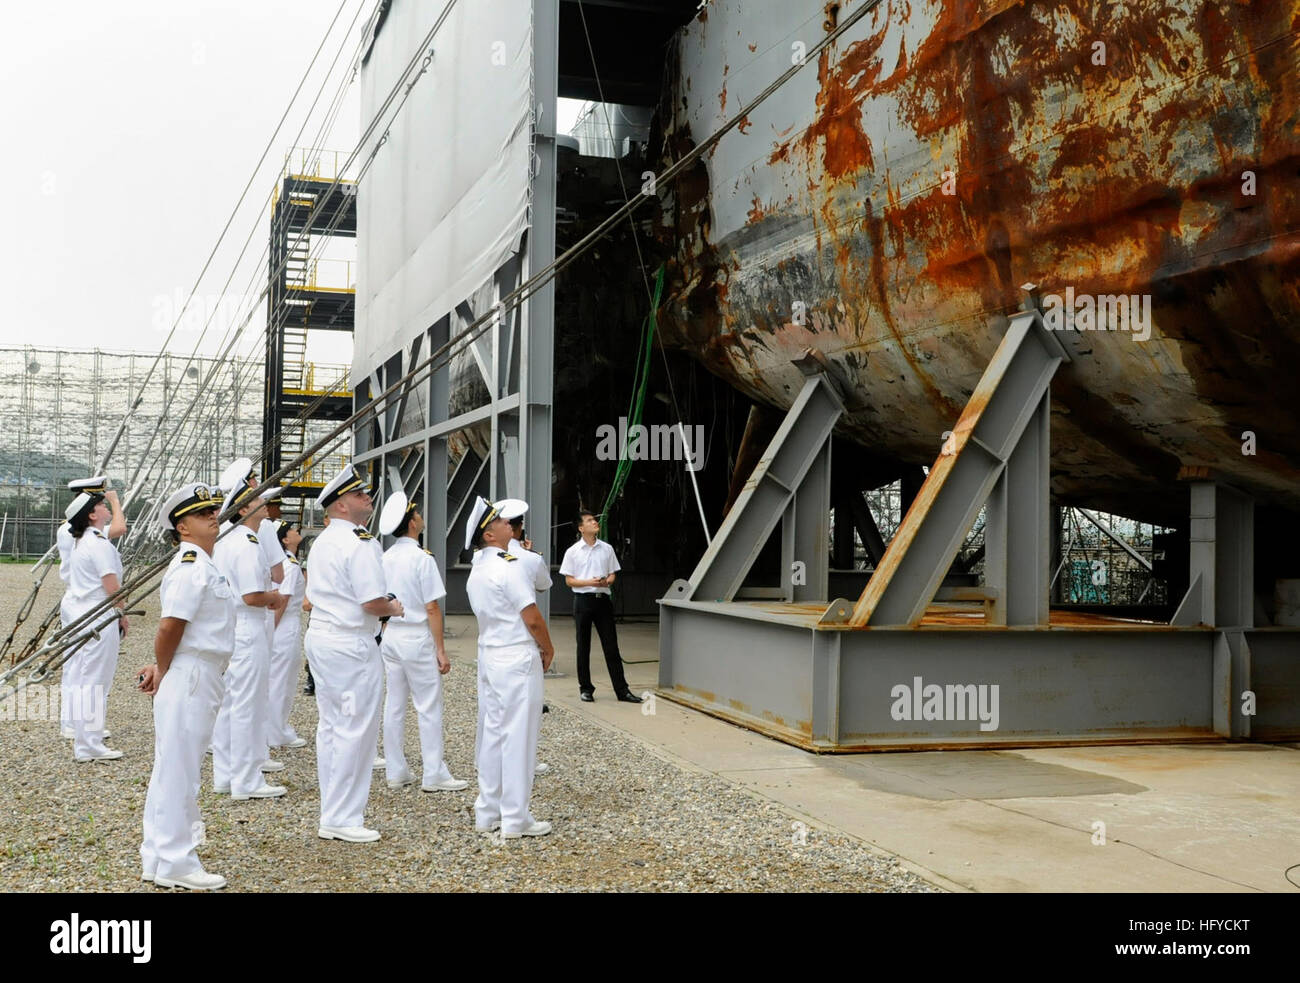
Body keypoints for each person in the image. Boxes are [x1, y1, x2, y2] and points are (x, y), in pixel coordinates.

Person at [138, 482, 236, 891]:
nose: (213, 516)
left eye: (213, 510)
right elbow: (169, 626)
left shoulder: (203, 564)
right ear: (182, 528)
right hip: (192, 673)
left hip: (193, 668)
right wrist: (163, 668)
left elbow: (178, 630)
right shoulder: (192, 565)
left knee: (171, 767)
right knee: (181, 771)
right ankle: (177, 861)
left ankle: (159, 857)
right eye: (201, 514)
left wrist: (164, 665)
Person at [304, 463, 402, 843]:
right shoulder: (360, 542)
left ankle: (334, 808)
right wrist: (394, 607)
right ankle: (341, 817)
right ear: (341, 506)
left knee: (331, 727)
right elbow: (372, 602)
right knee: (354, 730)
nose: (368, 498)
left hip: (326, 638)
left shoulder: (325, 540)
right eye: (360, 494)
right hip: (349, 645)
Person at [465, 496, 555, 838]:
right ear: (489, 535)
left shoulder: (479, 568)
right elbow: (531, 617)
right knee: (518, 737)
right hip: (516, 655)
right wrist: (548, 647)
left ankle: (487, 811)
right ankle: (516, 818)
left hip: (490, 654)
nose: (509, 526)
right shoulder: (509, 565)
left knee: (492, 734)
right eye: (500, 523)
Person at [376, 492, 467, 793]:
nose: (421, 517)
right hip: (415, 635)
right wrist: (440, 649)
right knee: (428, 706)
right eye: (417, 514)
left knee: (395, 704)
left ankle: (395, 769)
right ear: (412, 523)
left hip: (391, 636)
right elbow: (431, 608)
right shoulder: (421, 558)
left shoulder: (385, 557)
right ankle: (433, 772)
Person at [211, 484, 289, 800]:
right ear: (243, 509)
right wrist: (275, 596)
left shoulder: (233, 540)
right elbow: (252, 595)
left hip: (236, 627)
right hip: (248, 626)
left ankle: (226, 775)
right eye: (258, 499)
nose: (265, 504)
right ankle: (246, 780)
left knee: (231, 705)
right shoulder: (246, 543)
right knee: (248, 705)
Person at [58, 475, 125, 740]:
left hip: (77, 600)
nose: (105, 504)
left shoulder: (74, 531)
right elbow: (120, 529)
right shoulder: (93, 538)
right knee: (94, 673)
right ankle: (88, 736)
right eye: (100, 500)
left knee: (77, 668)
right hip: (94, 606)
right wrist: (117, 501)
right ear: (90, 509)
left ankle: (75, 724)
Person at [558, 509, 642, 703]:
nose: (595, 522)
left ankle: (622, 691)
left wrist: (606, 581)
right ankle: (586, 689)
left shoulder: (607, 548)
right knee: (583, 646)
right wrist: (590, 582)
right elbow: (569, 581)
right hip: (583, 601)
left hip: (603, 600)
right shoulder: (572, 552)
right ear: (581, 528)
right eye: (589, 521)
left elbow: (613, 574)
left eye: (594, 520)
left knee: (611, 646)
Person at [499, 500, 552, 777]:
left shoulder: (482, 561)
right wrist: (548, 648)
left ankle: (490, 763)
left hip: (490, 648)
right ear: (520, 529)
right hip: (520, 646)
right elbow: (543, 588)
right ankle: (525, 764)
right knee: (526, 713)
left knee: (494, 714)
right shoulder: (529, 560)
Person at [267, 519, 309, 750]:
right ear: (285, 539)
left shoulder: (288, 563)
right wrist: (270, 631)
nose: (297, 530)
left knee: (279, 680)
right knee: (282, 682)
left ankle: (276, 729)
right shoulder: (290, 566)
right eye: (292, 530)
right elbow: (281, 602)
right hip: (286, 626)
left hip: (284, 625)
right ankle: (276, 732)